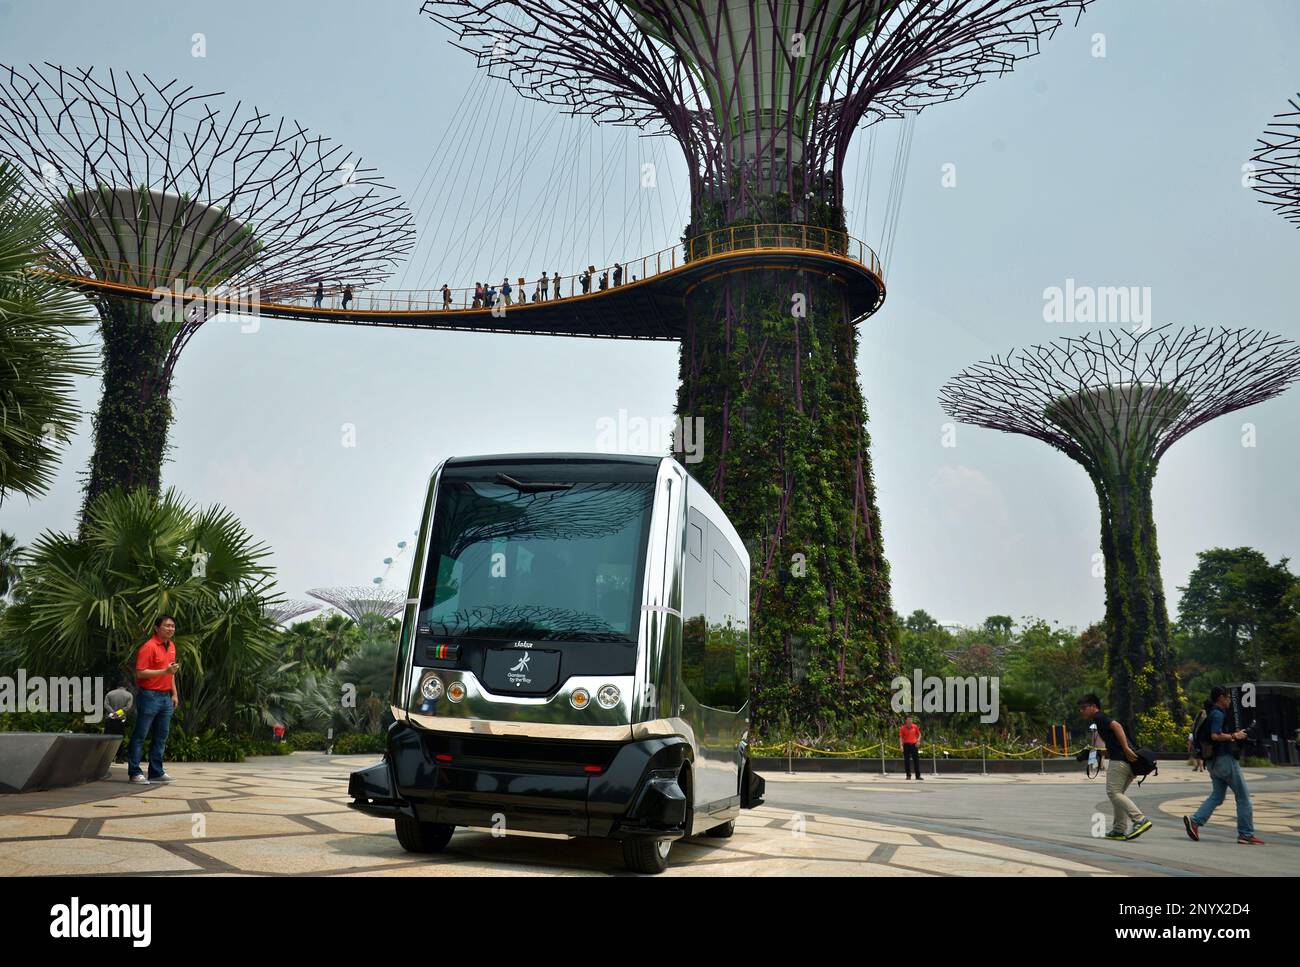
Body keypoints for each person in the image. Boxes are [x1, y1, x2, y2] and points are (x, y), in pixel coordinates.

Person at [1184, 686, 1264, 844]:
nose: (1229, 700)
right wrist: (1235, 735)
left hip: (1212, 762)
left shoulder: (1209, 712)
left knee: (1217, 796)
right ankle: (1246, 834)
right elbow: (1215, 735)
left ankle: (1195, 821)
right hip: (1225, 760)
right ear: (1221, 698)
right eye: (1227, 697)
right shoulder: (1218, 713)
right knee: (1243, 797)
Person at [1078, 694, 1151, 841]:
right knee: (1118, 795)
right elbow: (1113, 739)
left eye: (1084, 707)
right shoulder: (1098, 720)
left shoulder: (1099, 717)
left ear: (1094, 706)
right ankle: (1119, 829)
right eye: (1080, 709)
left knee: (1113, 793)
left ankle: (1140, 819)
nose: (1082, 711)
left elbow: (1116, 726)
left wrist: (1125, 748)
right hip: (1127, 762)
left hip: (1120, 761)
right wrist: (1098, 753)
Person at [126, 616, 180, 785]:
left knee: (161, 736)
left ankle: (156, 772)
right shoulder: (148, 647)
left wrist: (174, 694)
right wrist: (164, 671)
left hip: (165, 697)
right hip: (149, 695)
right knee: (140, 734)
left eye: (172, 626)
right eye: (166, 626)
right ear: (157, 628)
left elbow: (171, 673)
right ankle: (135, 772)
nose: (170, 629)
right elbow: (140, 673)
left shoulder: (171, 646)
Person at [103, 677, 134, 763]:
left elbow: (106, 705)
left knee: (107, 739)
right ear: (126, 686)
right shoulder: (129, 695)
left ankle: (106, 758)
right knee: (120, 739)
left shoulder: (110, 694)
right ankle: (119, 758)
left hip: (110, 719)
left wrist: (113, 713)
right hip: (121, 720)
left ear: (117, 686)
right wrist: (119, 713)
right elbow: (127, 707)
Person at [899, 715, 923, 780]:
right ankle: (908, 775)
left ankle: (918, 776)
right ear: (906, 721)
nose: (910, 721)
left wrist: (918, 741)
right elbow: (901, 738)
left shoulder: (915, 727)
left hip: (914, 745)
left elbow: (919, 734)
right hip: (906, 745)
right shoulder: (903, 728)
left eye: (911, 720)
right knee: (907, 761)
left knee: (916, 761)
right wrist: (901, 746)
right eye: (909, 720)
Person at [1188, 706, 1207, 772]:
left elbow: (1191, 737)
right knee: (1200, 755)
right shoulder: (1205, 718)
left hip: (1196, 741)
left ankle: (1197, 767)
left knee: (1195, 755)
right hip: (1202, 741)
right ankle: (1200, 767)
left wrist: (1189, 746)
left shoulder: (1195, 726)